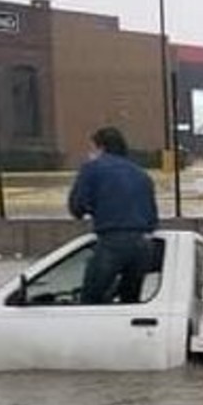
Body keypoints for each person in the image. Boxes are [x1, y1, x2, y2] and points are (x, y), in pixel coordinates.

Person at [68, 127, 158, 305]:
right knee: (129, 301)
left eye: (92, 148)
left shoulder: (92, 168)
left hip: (112, 242)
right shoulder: (141, 174)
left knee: (90, 299)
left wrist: (94, 209)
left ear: (100, 148)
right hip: (144, 245)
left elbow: (77, 206)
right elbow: (152, 216)